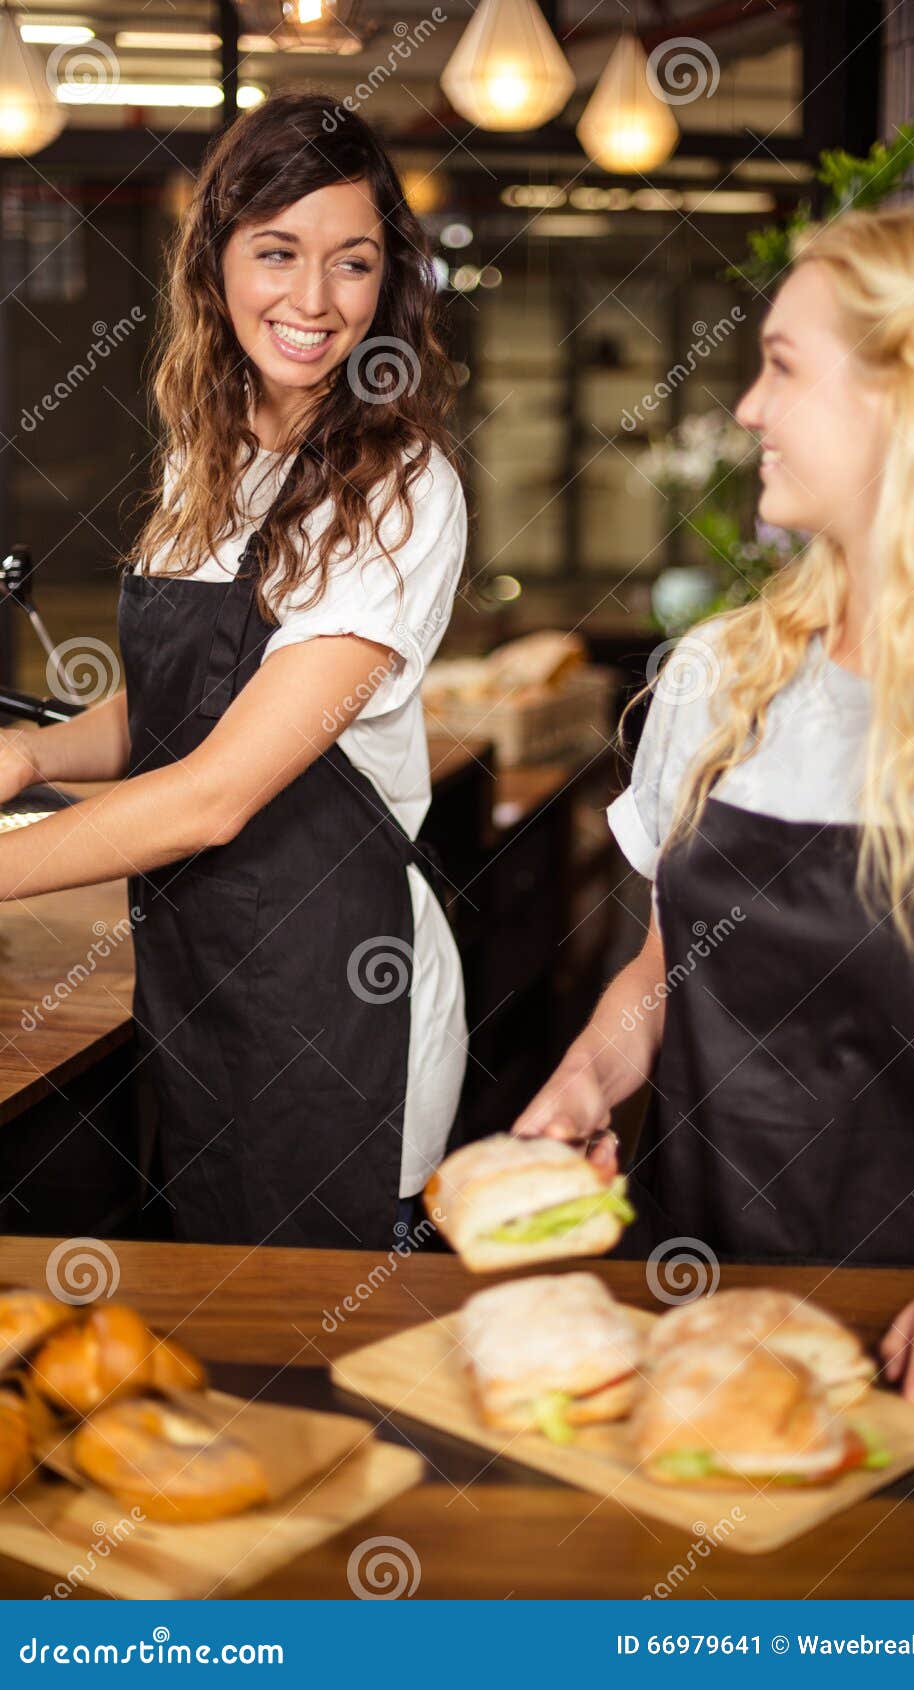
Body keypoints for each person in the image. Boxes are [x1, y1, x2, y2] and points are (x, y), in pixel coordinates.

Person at [514, 206, 914, 1419]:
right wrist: (587, 1073)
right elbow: (662, 971)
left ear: (909, 402)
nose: (748, 410)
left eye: (779, 367)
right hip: (685, 1311)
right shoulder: (720, 675)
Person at [0, 92, 467, 1250]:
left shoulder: (400, 490)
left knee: (315, 1358)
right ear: (213, 262)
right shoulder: (206, 459)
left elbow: (215, 791)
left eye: (351, 263)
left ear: (388, 281)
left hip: (336, 991)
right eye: (277, 253)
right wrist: (36, 752)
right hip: (201, 968)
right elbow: (180, 706)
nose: (312, 302)